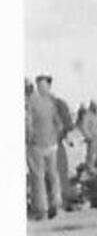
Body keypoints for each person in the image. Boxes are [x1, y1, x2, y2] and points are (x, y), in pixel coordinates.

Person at [27, 75, 63, 220]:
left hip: (37, 144)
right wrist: (55, 137)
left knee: (38, 177)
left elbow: (28, 124)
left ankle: (42, 209)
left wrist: (30, 140)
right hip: (51, 144)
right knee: (53, 175)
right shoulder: (51, 102)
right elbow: (59, 124)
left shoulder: (32, 102)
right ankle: (56, 204)